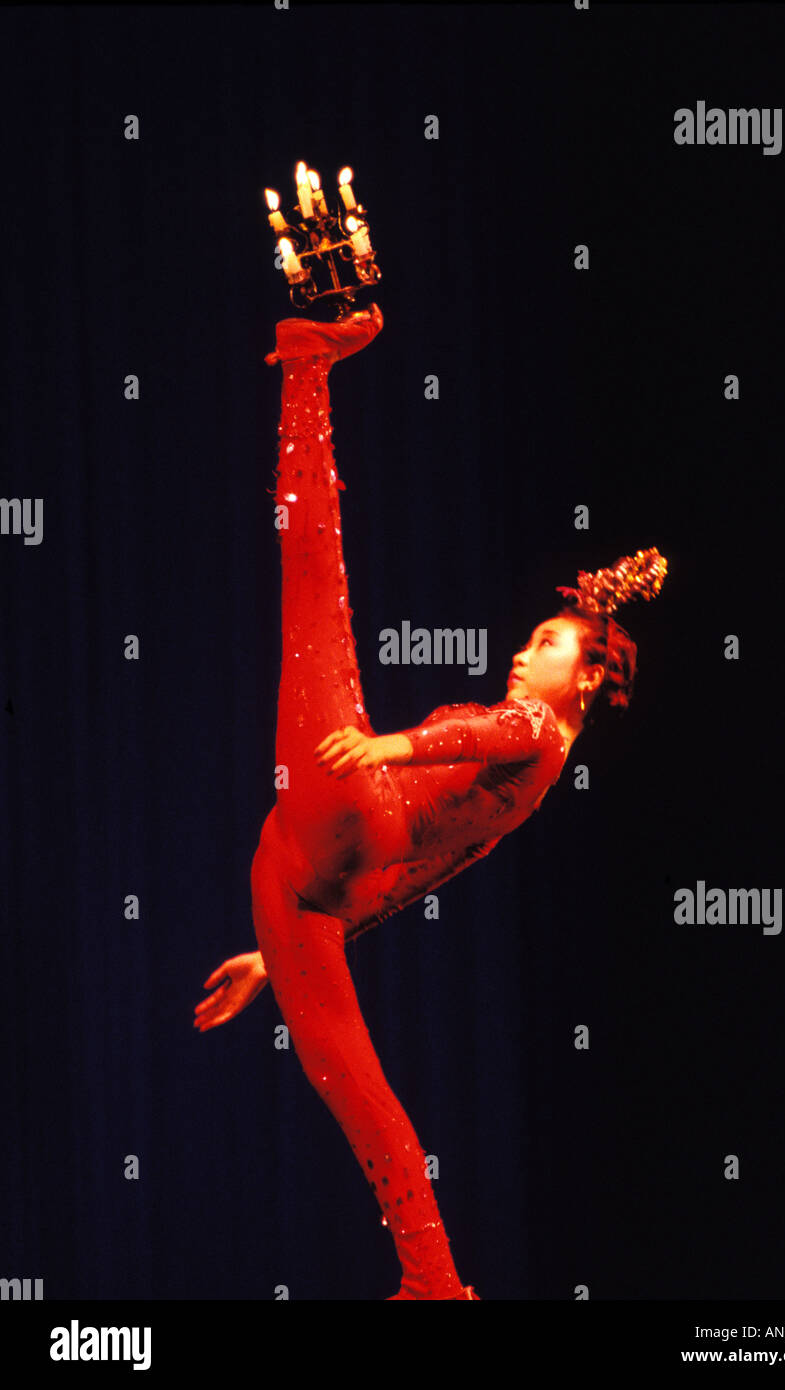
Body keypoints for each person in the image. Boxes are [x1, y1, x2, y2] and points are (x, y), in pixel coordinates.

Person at [193, 303, 667, 1299]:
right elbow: (414, 879)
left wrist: (386, 742)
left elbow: (476, 733)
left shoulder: (537, 732)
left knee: (313, 583)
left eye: (544, 646)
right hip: (314, 890)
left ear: (583, 680)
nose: (521, 652)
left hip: (343, 805)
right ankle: (435, 1285)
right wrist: (273, 965)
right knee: (369, 1103)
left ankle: (307, 362)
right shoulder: (530, 785)